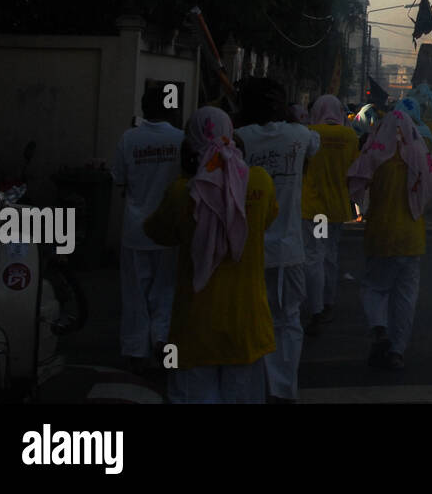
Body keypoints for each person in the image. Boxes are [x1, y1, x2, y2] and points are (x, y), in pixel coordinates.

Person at [144, 106, 277, 403]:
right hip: (246, 325)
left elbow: (156, 233)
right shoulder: (261, 183)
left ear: (190, 144)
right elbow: (265, 222)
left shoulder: (181, 192)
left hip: (194, 329)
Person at [235, 77, 321, 403]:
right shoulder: (301, 136)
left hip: (249, 251)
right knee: (289, 322)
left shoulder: (239, 139)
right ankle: (285, 389)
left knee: (256, 320)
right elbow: (312, 147)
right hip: (290, 249)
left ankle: (262, 388)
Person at [347, 106, 432, 370]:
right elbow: (431, 191)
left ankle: (379, 329)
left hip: (381, 233)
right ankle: (398, 351)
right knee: (406, 297)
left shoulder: (375, 153)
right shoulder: (420, 153)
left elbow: (354, 183)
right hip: (412, 236)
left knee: (375, 287)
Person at [110, 88, 183, 370]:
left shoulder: (129, 139)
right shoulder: (179, 139)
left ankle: (135, 350)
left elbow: (119, 180)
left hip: (136, 229)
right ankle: (162, 343)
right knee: (166, 291)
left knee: (134, 292)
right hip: (168, 230)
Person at [302, 95, 359, 334]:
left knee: (313, 255)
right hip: (337, 205)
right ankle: (328, 303)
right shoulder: (349, 136)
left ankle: (315, 309)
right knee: (331, 255)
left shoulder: (309, 133)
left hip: (313, 205)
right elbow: (355, 170)